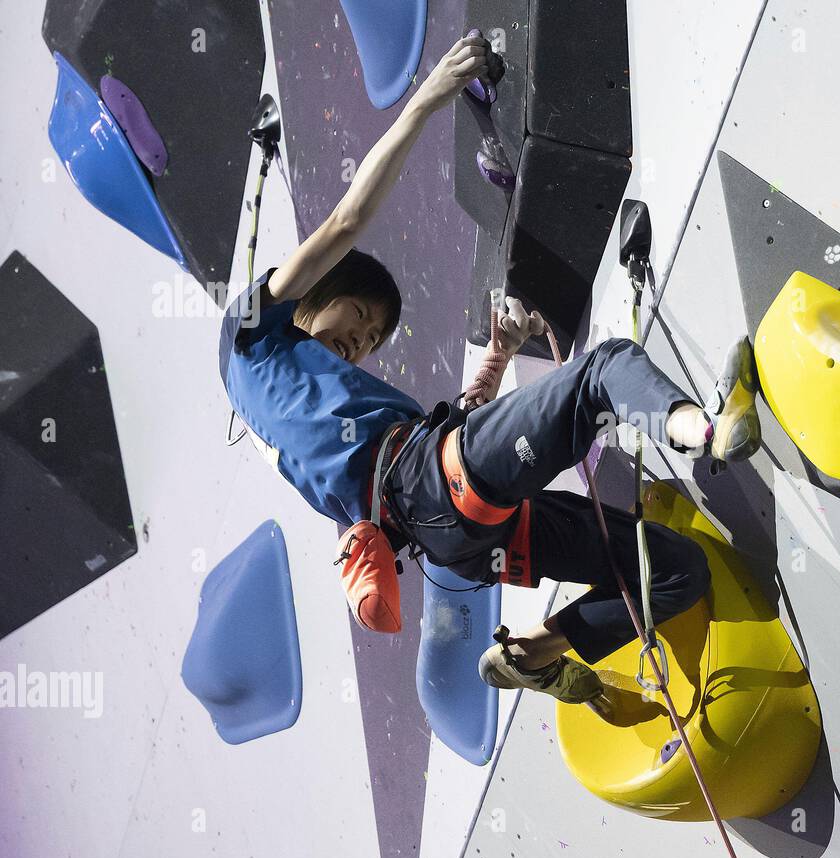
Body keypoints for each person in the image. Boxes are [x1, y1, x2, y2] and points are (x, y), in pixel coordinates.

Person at [219, 34, 762, 707]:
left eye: (365, 341)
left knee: (677, 570)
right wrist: (428, 97)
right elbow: (345, 220)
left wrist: (500, 354)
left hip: (459, 539)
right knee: (605, 370)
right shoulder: (248, 338)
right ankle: (703, 429)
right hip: (437, 492)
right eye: (352, 320)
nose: (354, 344)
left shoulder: (307, 420)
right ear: (311, 297)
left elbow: (458, 434)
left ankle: (536, 651)